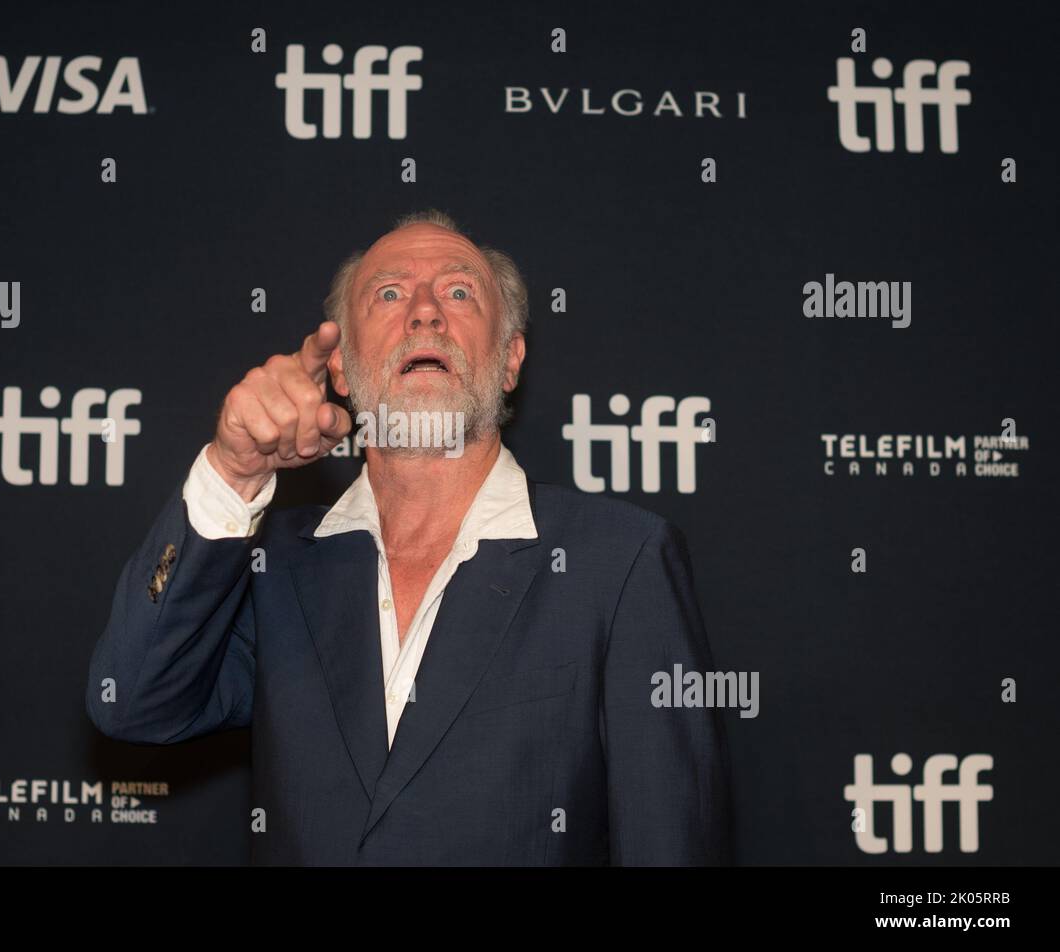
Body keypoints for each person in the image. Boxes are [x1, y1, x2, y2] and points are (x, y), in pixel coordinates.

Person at [86, 209, 732, 864]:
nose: (425, 314)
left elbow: (670, 840)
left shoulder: (619, 561)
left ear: (509, 360)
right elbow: (134, 703)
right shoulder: (275, 566)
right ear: (340, 369)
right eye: (389, 294)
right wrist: (233, 469)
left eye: (459, 292)